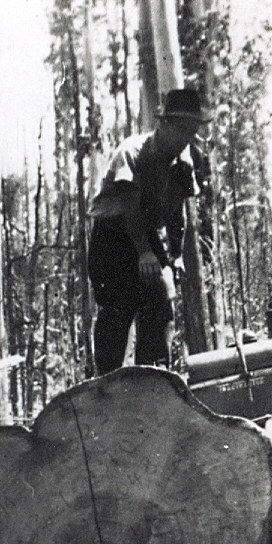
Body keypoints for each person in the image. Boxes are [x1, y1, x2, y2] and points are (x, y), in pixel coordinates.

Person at [88, 88, 211, 375]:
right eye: (181, 130)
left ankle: (152, 379)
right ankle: (108, 385)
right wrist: (144, 252)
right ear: (164, 124)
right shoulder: (131, 152)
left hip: (146, 235)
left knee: (160, 300)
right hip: (112, 238)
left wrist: (177, 255)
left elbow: (178, 211)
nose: (185, 139)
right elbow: (127, 203)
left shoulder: (183, 163)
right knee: (117, 311)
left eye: (191, 133)